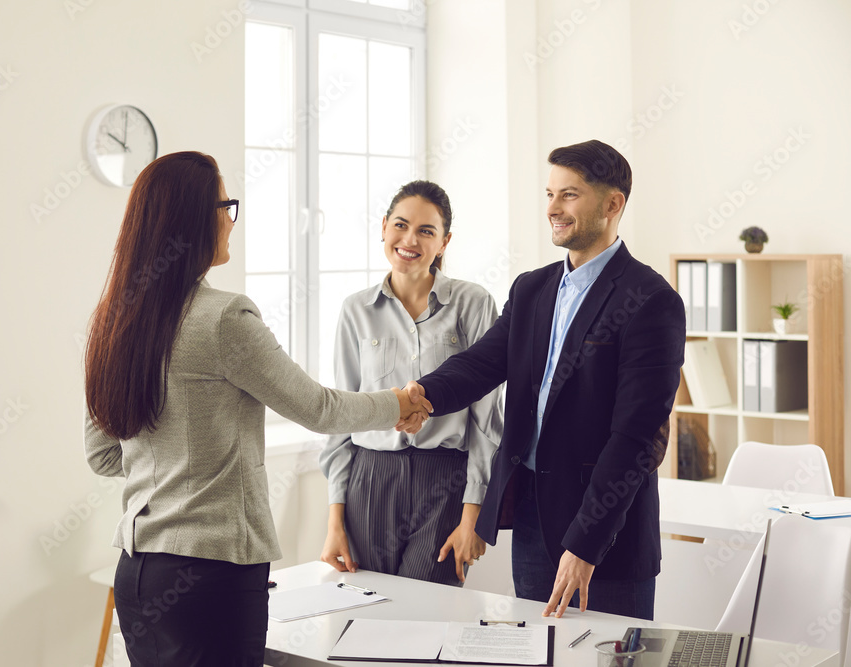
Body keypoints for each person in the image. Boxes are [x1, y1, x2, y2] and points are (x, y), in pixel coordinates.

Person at [83, 151, 432, 667]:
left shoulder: (115, 318)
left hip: (137, 574)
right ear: (193, 220)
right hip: (210, 574)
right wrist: (398, 403)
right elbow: (318, 408)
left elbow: (103, 455)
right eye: (225, 206)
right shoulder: (223, 318)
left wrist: (170, 466)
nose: (231, 219)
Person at [403, 140, 686, 620]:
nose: (552, 208)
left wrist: (585, 544)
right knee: (537, 650)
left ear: (612, 204)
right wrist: (422, 395)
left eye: (569, 195)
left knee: (605, 653)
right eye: (550, 194)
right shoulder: (532, 288)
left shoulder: (651, 300)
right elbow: (480, 364)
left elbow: (636, 440)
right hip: (532, 515)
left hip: (605, 531)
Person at [319, 180, 504, 586]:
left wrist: (472, 516)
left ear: (444, 242)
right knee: (366, 606)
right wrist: (334, 522)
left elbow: (487, 421)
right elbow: (341, 418)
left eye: (426, 231)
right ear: (384, 226)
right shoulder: (356, 310)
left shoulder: (473, 303)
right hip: (370, 479)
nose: (409, 240)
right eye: (400, 225)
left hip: (446, 479)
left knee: (430, 609)